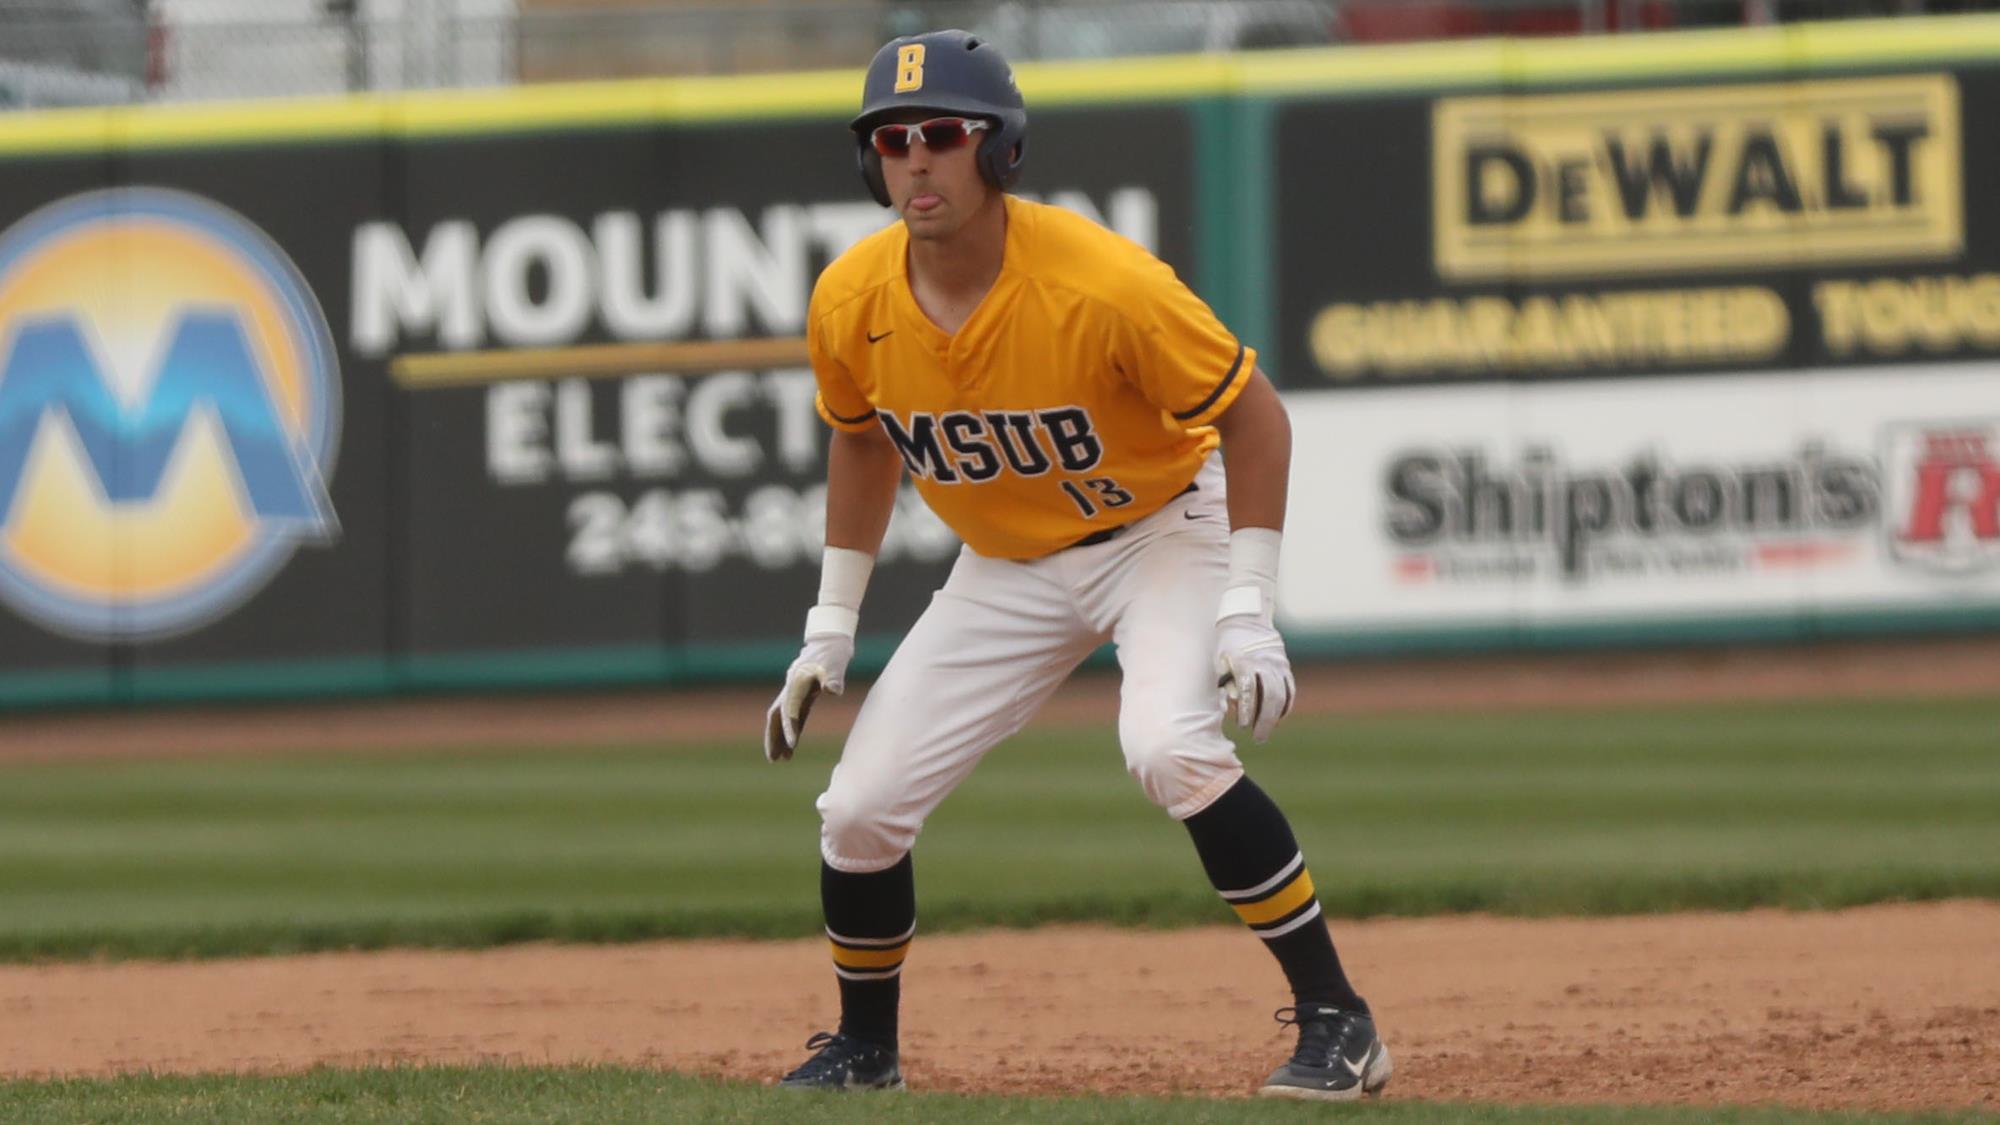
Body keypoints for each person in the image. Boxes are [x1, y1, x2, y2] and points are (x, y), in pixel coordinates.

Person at [762, 28, 1390, 1101]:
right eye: (891, 138)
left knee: (1165, 745)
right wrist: (831, 622)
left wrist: (1245, 606)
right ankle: (865, 1051)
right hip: (1005, 564)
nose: (916, 158)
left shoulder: (1100, 283)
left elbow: (1255, 419)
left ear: (997, 150)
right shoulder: (850, 298)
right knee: (858, 809)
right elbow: (860, 436)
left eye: (942, 134)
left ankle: (1338, 1019)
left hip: (1158, 531)